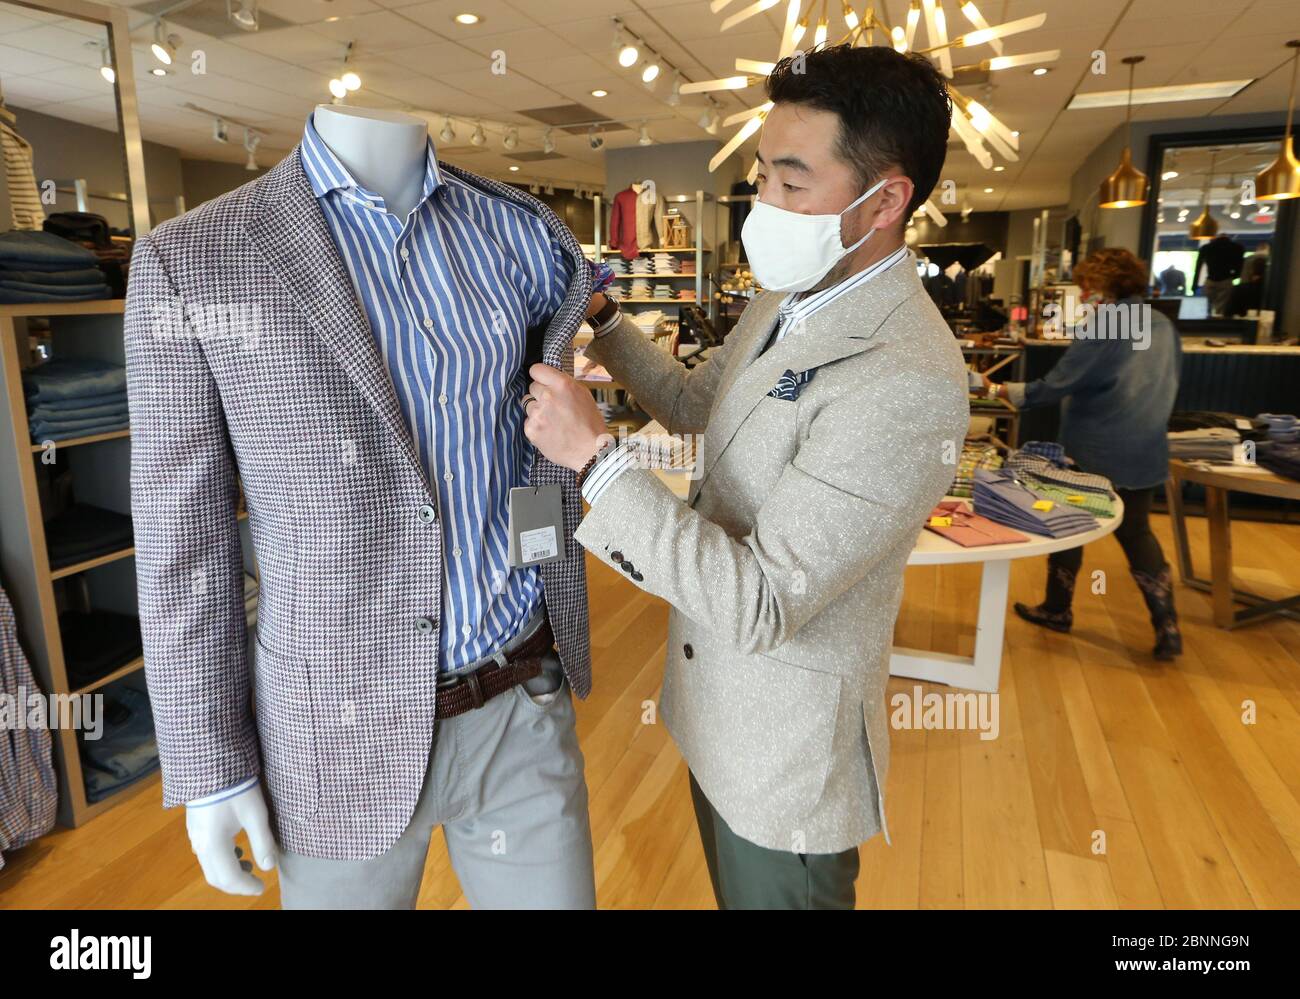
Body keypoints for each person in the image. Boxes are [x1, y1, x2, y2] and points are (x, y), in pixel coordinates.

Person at [521, 44, 968, 909]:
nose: (763, 204)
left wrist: (596, 463)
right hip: (717, 715)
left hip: (787, 764)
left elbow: (764, 601)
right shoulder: (784, 297)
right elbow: (696, 403)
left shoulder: (905, 376)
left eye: (793, 184)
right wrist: (608, 321)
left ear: (887, 200)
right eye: (762, 175)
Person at [989, 247, 1184, 660]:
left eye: (1085, 285)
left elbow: (1058, 383)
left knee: (1068, 525)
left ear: (1101, 284)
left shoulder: (1111, 323)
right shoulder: (1162, 323)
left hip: (1096, 449)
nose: (1082, 293)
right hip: (1146, 447)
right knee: (1137, 532)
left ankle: (1058, 609)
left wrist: (998, 390)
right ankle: (1167, 624)